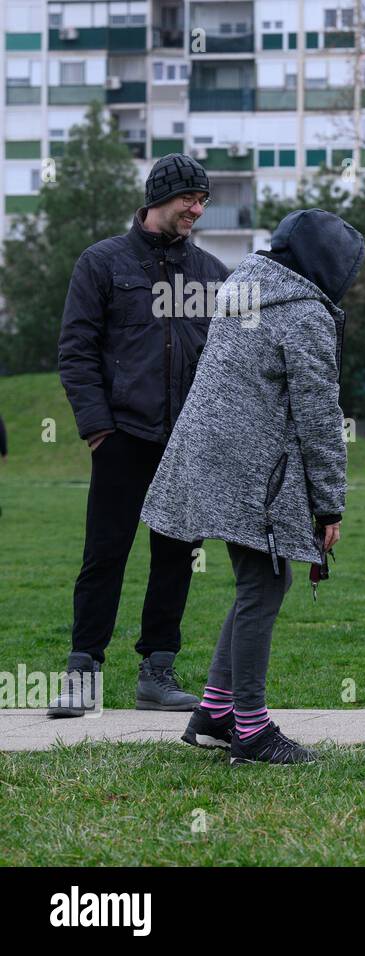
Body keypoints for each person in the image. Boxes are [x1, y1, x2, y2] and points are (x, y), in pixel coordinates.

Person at [141, 208, 365, 765]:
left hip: (208, 458)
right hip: (252, 471)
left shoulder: (244, 290)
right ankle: (252, 730)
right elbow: (319, 417)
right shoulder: (303, 313)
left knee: (259, 584)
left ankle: (216, 713)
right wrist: (329, 504)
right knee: (263, 586)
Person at [51, 153, 230, 717]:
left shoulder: (213, 274)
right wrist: (98, 428)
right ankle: (83, 675)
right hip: (122, 434)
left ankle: (157, 671)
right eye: (188, 200)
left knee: (176, 557)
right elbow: (76, 351)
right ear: (159, 197)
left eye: (203, 201)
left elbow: (226, 361)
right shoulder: (101, 263)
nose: (196, 210)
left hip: (188, 442)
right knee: (104, 553)